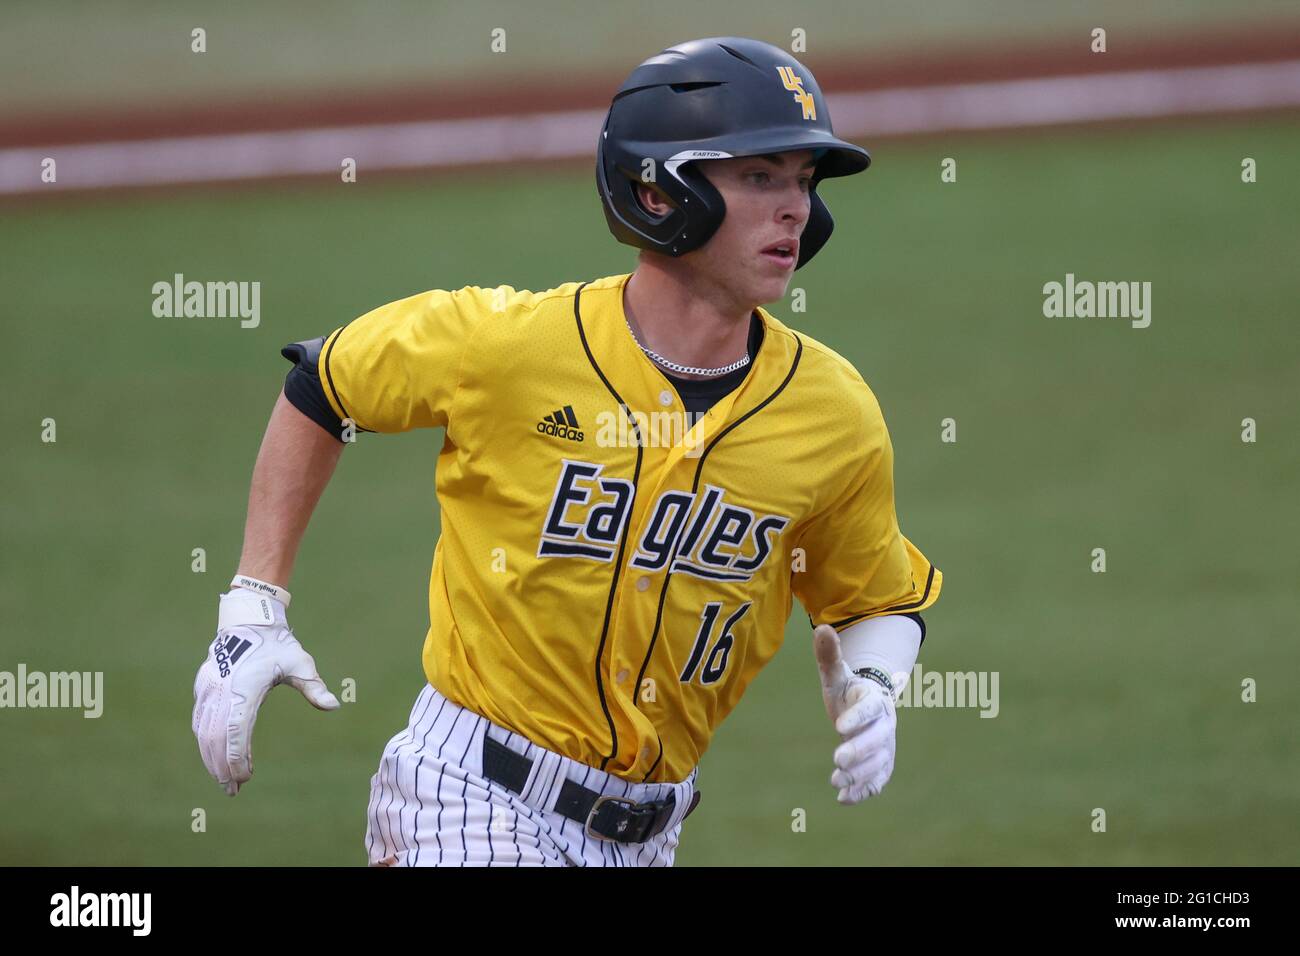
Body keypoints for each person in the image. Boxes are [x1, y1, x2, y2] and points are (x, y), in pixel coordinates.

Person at [192, 36, 942, 867]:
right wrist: (253, 604)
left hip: (653, 836)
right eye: (759, 177)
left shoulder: (832, 411)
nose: (796, 208)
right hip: (468, 799)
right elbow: (323, 386)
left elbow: (874, 597)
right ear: (659, 191)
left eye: (803, 180)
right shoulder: (506, 346)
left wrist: (873, 687)